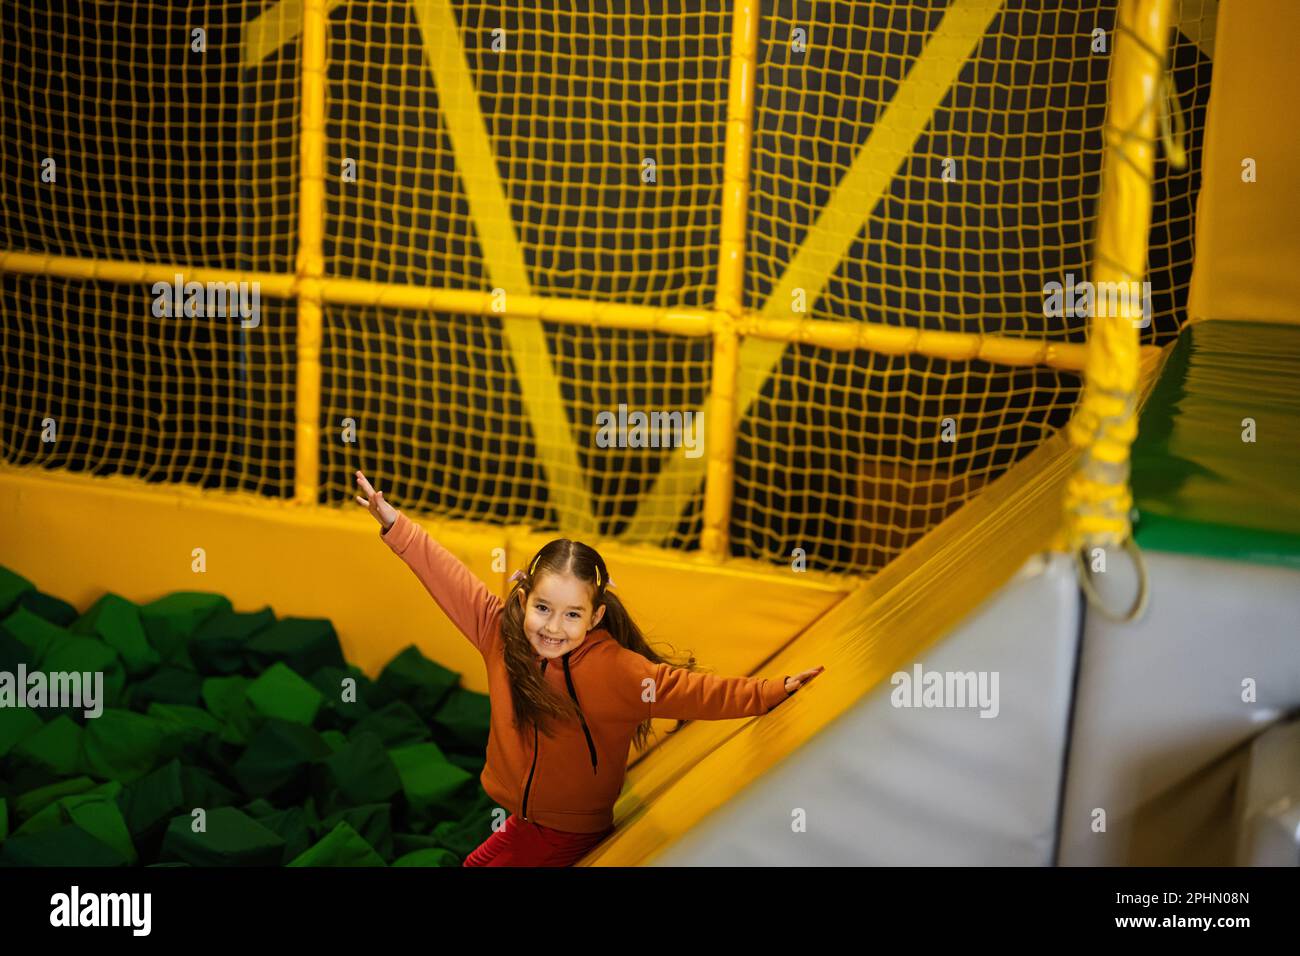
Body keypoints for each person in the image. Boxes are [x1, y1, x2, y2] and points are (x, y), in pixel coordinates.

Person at [355, 470, 825, 866]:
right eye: (543, 609)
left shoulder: (615, 671)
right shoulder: (501, 634)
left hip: (566, 831)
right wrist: (396, 525)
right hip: (527, 818)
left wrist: (771, 691)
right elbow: (448, 577)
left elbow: (693, 691)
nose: (553, 628)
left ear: (596, 617)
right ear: (523, 600)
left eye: (572, 615)